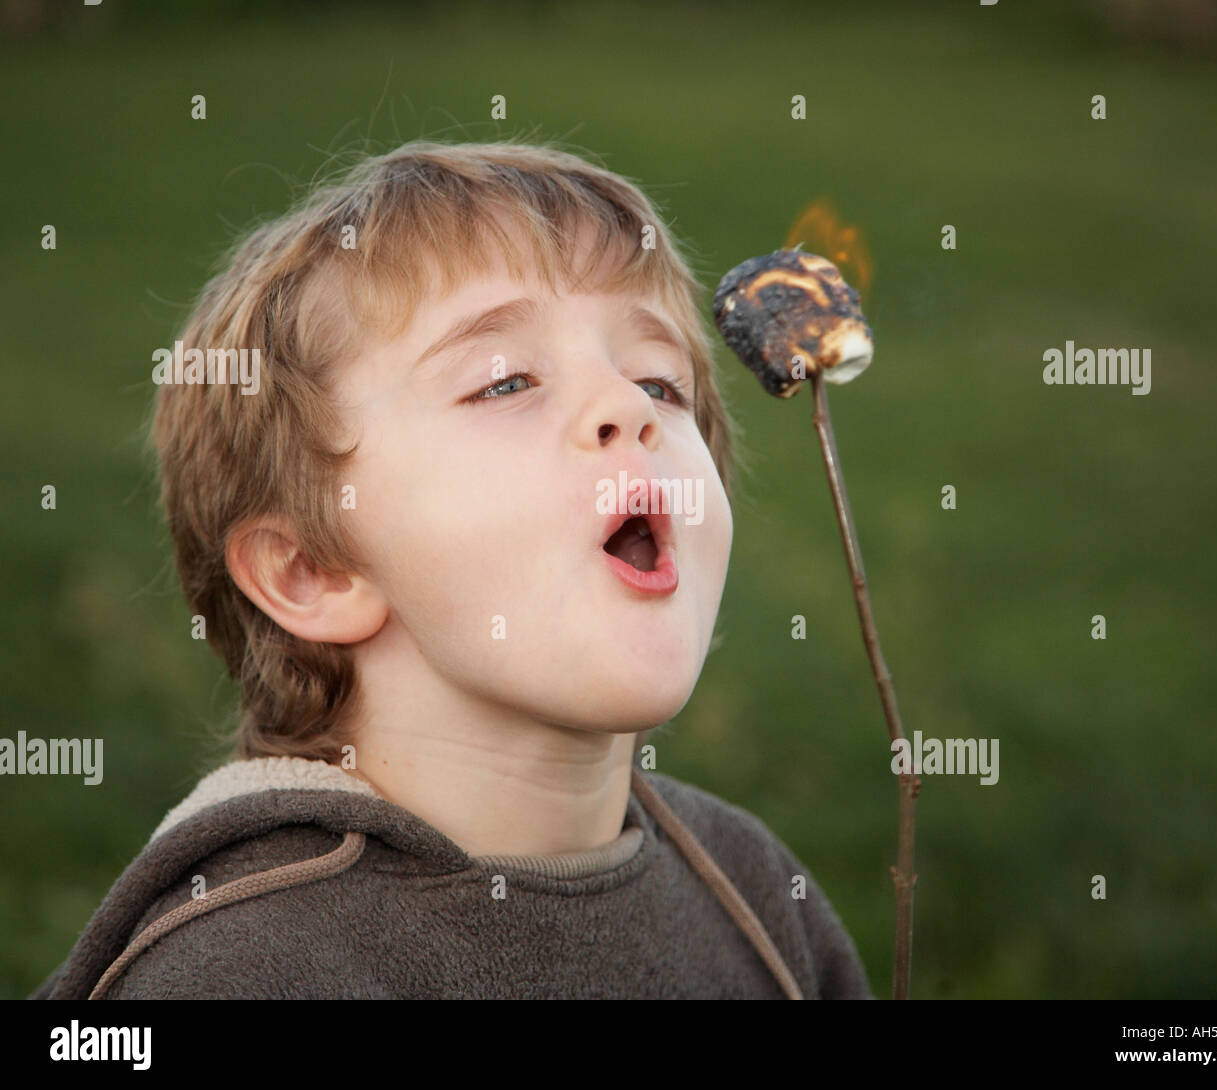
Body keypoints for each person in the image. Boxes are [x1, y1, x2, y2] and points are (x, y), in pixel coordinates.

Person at [31, 139, 873, 1000]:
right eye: (506, 382)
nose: (627, 405)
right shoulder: (241, 972)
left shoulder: (758, 900)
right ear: (313, 570)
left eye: (661, 381)